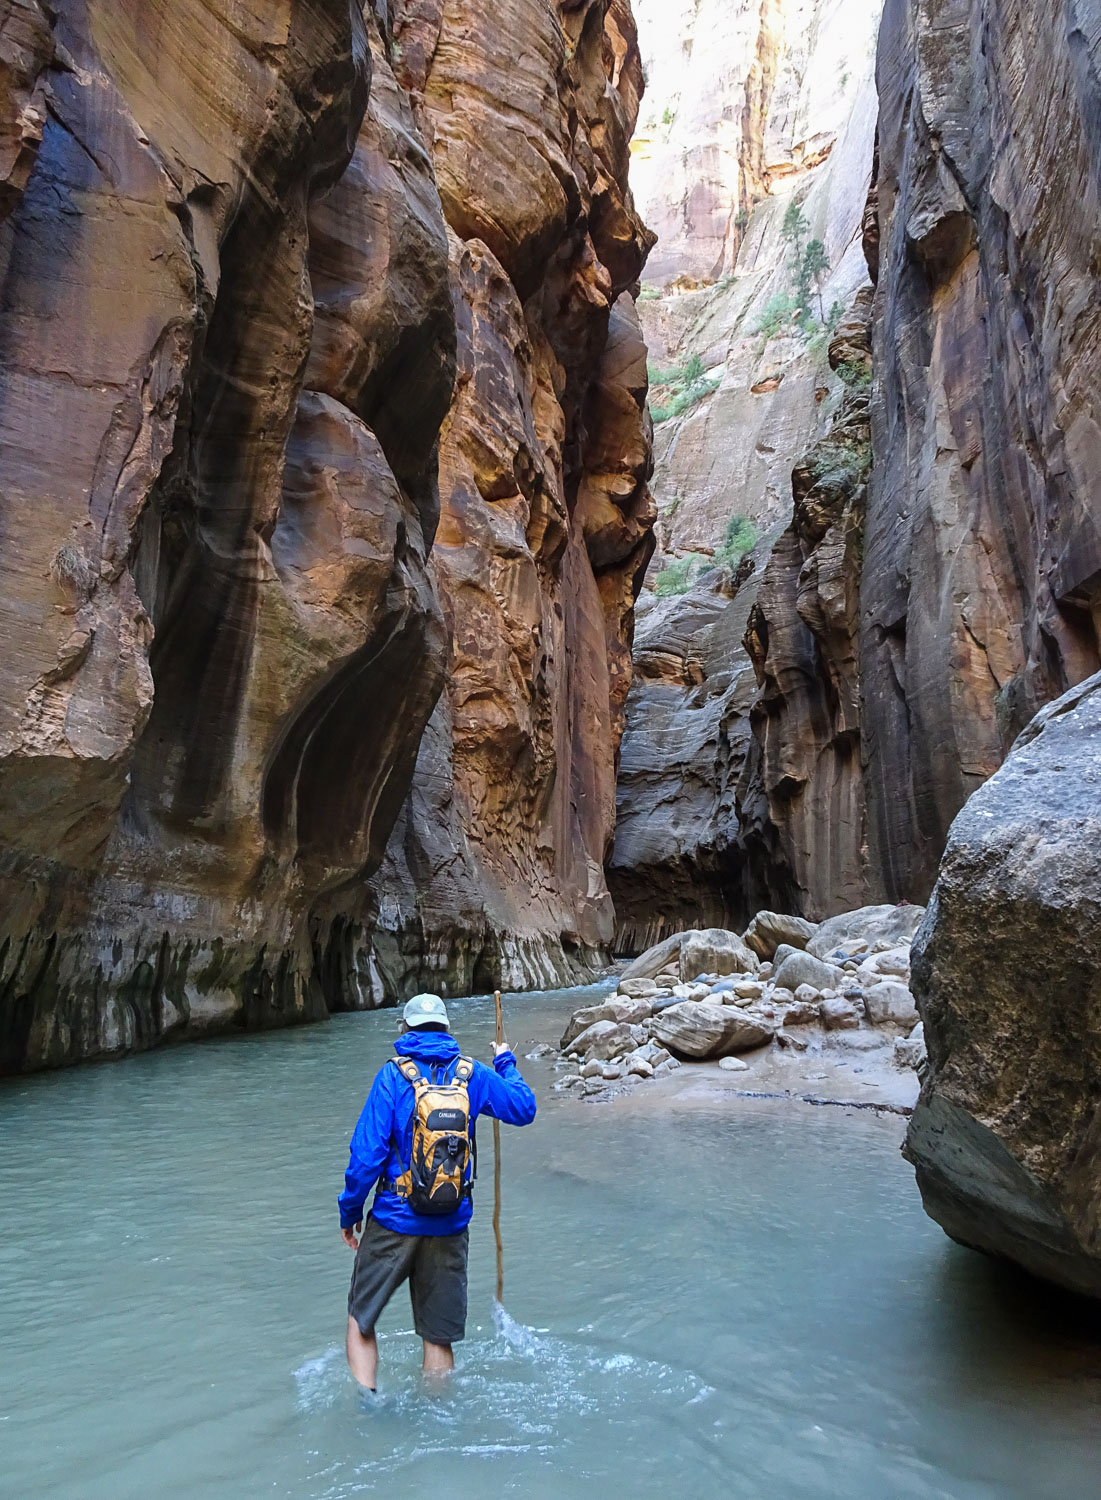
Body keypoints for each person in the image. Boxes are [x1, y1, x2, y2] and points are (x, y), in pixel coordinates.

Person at [338, 992, 537, 1389]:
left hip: (394, 1220)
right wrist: (505, 1061)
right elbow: (523, 1107)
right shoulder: (472, 1074)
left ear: (405, 1029)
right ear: (446, 1029)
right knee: (438, 1335)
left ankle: (368, 1402)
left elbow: (366, 1157)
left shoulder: (394, 1076)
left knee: (361, 1320)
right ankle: (437, 1418)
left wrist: (350, 1213)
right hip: (450, 1224)